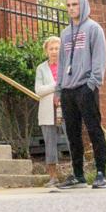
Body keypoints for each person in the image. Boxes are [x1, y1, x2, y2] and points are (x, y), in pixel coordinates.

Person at [53, 0, 106, 190]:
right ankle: (78, 176)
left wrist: (92, 84)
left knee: (94, 129)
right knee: (72, 134)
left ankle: (101, 173)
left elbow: (100, 59)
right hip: (68, 90)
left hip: (86, 87)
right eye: (68, 5)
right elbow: (61, 63)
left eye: (75, 4)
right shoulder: (65, 33)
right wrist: (58, 89)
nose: (71, 8)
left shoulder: (94, 29)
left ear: (82, 5)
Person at [34, 36, 63, 187]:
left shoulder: (67, 65)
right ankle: (53, 177)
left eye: (57, 48)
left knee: (72, 140)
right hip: (47, 110)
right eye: (51, 49)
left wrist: (53, 87)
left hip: (66, 108)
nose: (54, 51)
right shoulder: (41, 68)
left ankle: (77, 174)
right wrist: (57, 85)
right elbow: (39, 90)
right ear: (46, 51)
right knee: (50, 144)